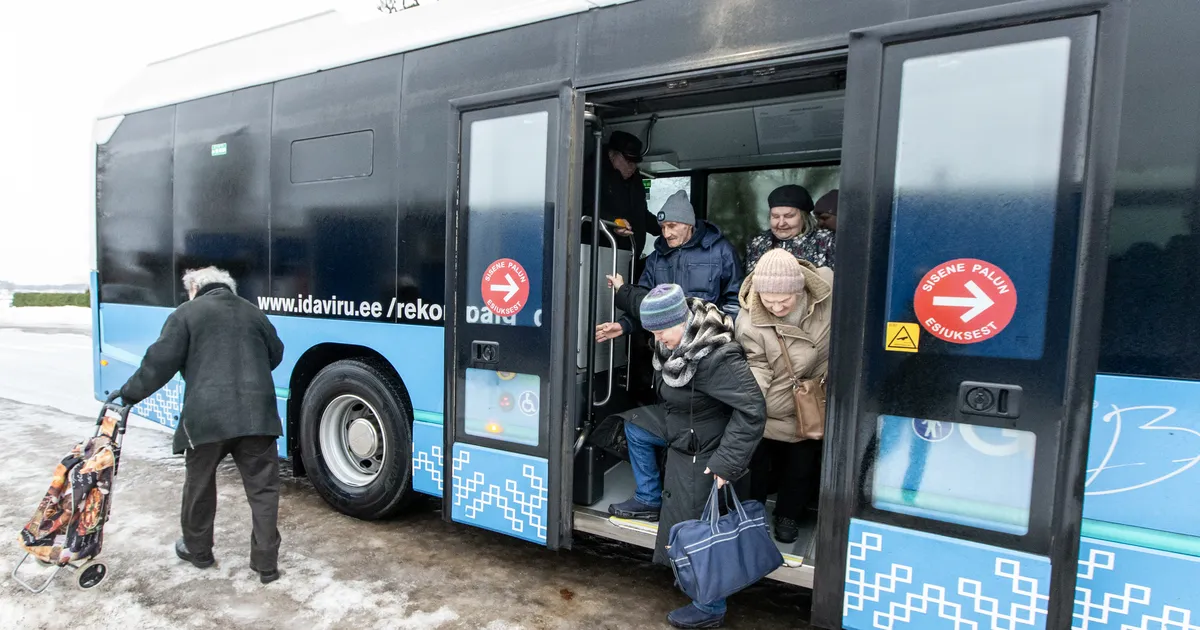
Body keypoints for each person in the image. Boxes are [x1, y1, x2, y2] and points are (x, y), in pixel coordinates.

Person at [603, 283, 766, 629]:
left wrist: (727, 463)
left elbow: (752, 410)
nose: (660, 339)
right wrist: (621, 290)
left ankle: (710, 606)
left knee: (698, 523)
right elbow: (642, 302)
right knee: (634, 426)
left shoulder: (716, 356)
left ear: (685, 321)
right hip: (680, 423)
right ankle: (648, 497)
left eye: (663, 331)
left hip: (706, 445)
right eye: (654, 332)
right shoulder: (673, 332)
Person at [113, 266, 286, 584]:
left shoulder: (186, 313)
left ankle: (198, 550)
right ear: (229, 287)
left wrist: (127, 395)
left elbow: (158, 363)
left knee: (200, 484)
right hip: (258, 417)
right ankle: (266, 564)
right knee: (263, 491)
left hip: (207, 417)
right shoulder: (254, 313)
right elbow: (275, 354)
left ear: (195, 287)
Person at [734, 249, 833, 545]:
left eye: (784, 300)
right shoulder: (748, 321)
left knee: (801, 465)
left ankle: (788, 515)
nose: (776, 306)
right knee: (757, 465)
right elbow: (756, 365)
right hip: (772, 400)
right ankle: (750, 516)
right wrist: (749, 406)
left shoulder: (827, 293)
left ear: (800, 288)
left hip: (812, 400)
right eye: (768, 299)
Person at [594, 189, 743, 344]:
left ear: (689, 224)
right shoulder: (656, 258)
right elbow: (648, 305)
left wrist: (721, 335)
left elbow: (735, 301)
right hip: (666, 349)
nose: (666, 234)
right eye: (663, 227)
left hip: (708, 346)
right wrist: (623, 325)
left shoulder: (721, 251)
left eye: (672, 226)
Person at [582, 129, 660, 272]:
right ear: (612, 155)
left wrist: (663, 226)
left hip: (629, 255)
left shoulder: (635, 179)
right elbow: (585, 208)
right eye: (628, 161)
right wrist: (613, 222)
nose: (632, 167)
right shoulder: (593, 172)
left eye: (635, 162)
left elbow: (640, 214)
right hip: (602, 256)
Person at [744, 184, 835, 275]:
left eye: (789, 216)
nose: (781, 223)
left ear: (804, 217)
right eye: (775, 216)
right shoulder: (758, 243)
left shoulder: (827, 241)